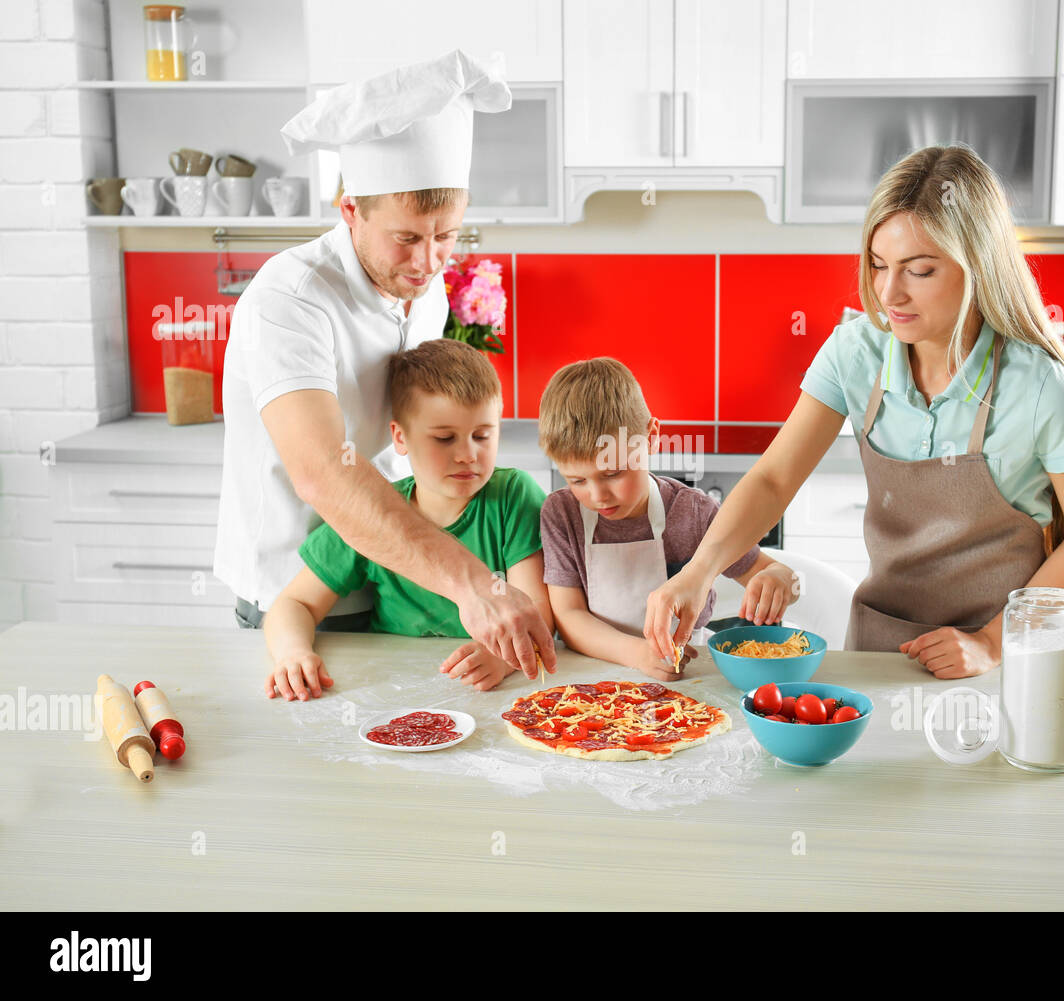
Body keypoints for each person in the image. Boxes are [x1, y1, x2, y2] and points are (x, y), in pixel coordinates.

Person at [645, 144, 1064, 679]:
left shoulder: (1040, 387)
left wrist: (991, 643)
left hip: (1002, 659)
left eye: (919, 270)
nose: (889, 292)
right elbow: (774, 480)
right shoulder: (856, 352)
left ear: (978, 265)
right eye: (878, 265)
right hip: (881, 648)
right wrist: (700, 572)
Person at [213, 51, 556, 679]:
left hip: (395, 587)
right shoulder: (290, 299)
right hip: (296, 594)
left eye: (447, 235)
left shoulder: (428, 292)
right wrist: (473, 583)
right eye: (407, 237)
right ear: (351, 211)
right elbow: (324, 475)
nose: (429, 261)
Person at [262, 339, 554, 700]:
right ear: (400, 437)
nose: (467, 454)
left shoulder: (514, 495)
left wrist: (504, 658)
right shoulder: (373, 514)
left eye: (482, 435)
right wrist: (293, 653)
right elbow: (294, 604)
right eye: (445, 438)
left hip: (491, 692)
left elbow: (536, 608)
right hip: (393, 689)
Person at [538, 358, 798, 682]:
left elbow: (772, 572)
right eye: (577, 480)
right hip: (590, 678)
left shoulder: (693, 513)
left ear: (651, 437)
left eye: (613, 473)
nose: (598, 495)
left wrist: (778, 581)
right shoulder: (561, 515)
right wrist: (639, 655)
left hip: (685, 677)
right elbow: (568, 615)